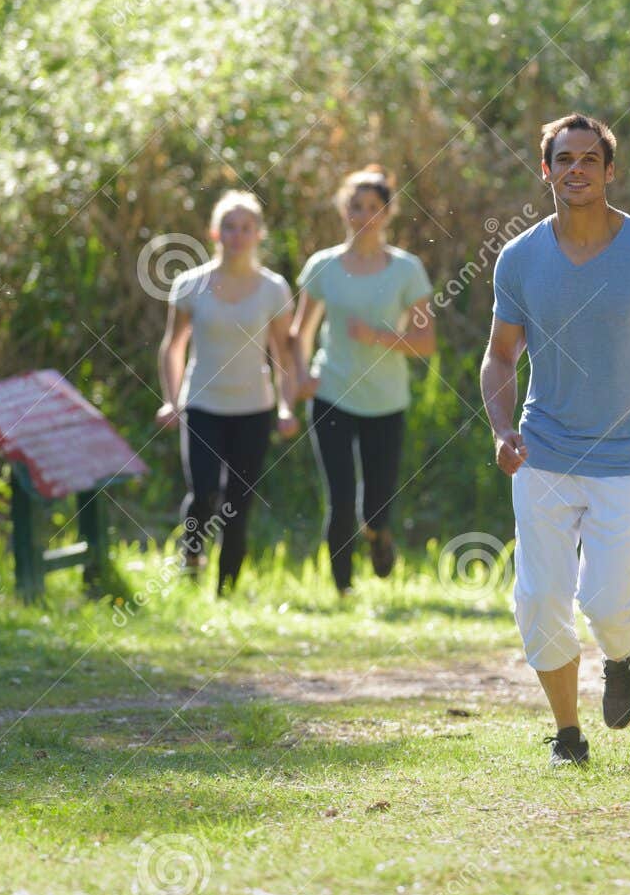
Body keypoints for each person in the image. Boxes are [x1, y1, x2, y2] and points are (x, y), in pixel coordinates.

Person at [481, 113, 630, 766]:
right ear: (546, 169)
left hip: (629, 462)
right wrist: (502, 430)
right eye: (565, 159)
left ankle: (624, 650)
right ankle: (567, 735)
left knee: (606, 602)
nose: (577, 170)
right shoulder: (521, 257)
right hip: (543, 453)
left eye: (590, 159)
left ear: (611, 171)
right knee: (539, 598)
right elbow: (500, 357)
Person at [292, 165, 435, 592]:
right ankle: (342, 587)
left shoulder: (407, 271)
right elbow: (301, 331)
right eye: (356, 206)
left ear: (388, 213)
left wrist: (377, 336)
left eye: (374, 207)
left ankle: (379, 535)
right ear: (344, 211)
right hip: (332, 392)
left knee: (376, 503)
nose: (365, 215)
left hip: (386, 400)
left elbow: (426, 341)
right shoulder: (323, 266)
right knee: (339, 498)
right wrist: (299, 376)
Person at [156, 190, 299, 594]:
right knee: (203, 493)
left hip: (253, 407)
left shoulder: (273, 288)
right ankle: (192, 553)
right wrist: (171, 398)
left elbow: (282, 352)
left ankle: (227, 589)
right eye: (229, 228)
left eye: (246, 228)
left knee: (238, 501)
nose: (237, 236)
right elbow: (173, 345)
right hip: (202, 403)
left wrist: (287, 406)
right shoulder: (190, 284)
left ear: (258, 235)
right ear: (215, 233)